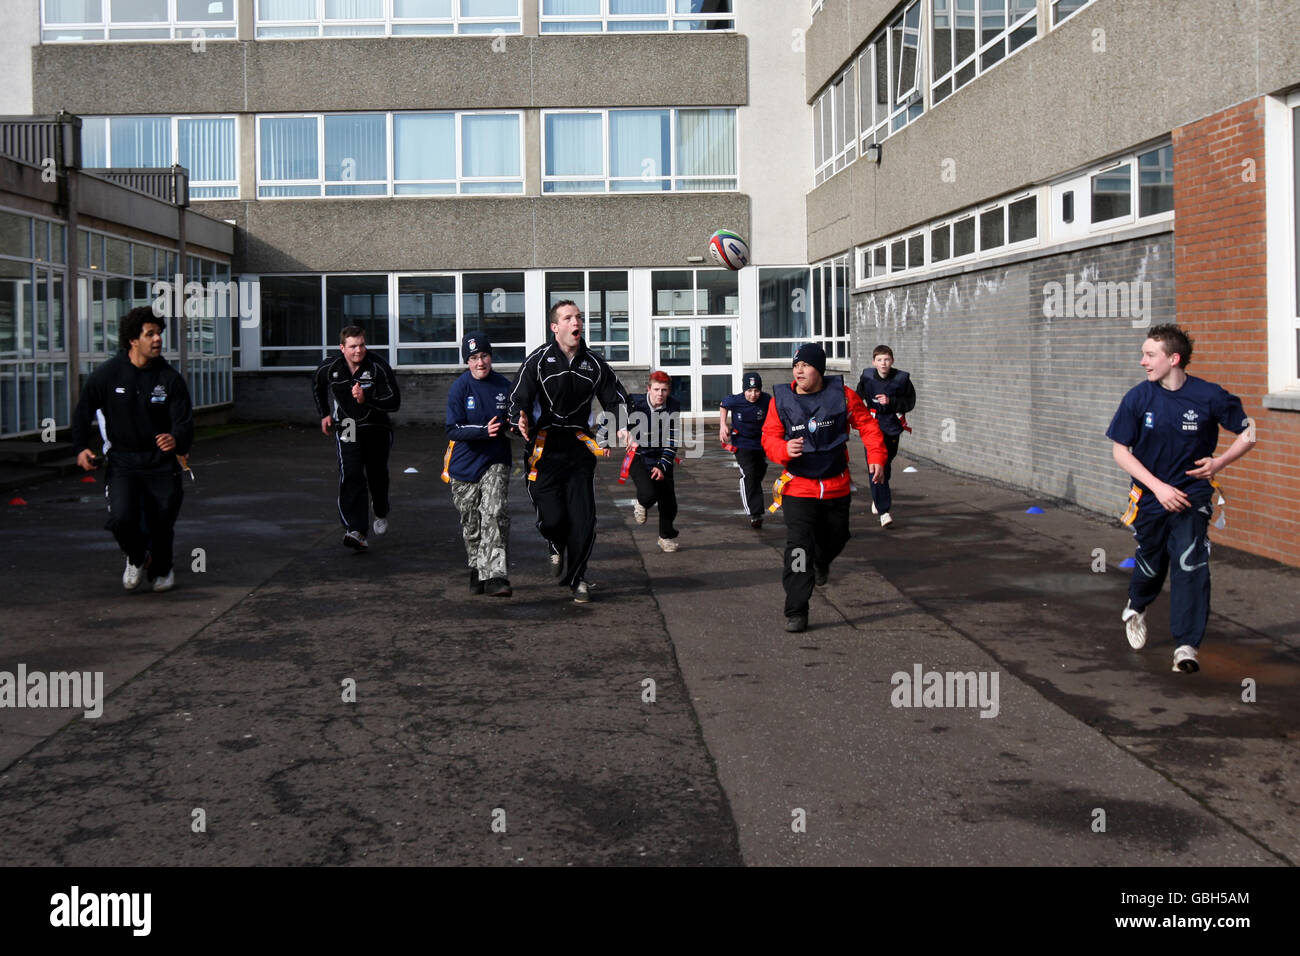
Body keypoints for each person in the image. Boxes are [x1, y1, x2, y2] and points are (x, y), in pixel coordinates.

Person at [1106, 324, 1256, 674]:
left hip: (1192, 497)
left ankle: (1186, 646)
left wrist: (1219, 462)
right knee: (1152, 561)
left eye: (1150, 354)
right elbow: (1120, 451)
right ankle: (1137, 605)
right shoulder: (1138, 398)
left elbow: (1249, 431)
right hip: (1150, 497)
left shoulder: (1209, 396)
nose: (1142, 361)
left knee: (1190, 563)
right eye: (1143, 354)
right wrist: (1158, 487)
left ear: (1173, 359)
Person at [509, 299, 631, 603]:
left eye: (578, 317)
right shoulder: (537, 361)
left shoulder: (594, 363)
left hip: (578, 449)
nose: (576, 321)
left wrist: (622, 424)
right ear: (556, 327)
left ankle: (578, 578)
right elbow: (517, 399)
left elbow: (616, 397)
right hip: (544, 450)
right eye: (568, 317)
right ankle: (555, 541)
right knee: (552, 520)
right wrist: (518, 420)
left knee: (584, 519)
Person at [763, 343, 887, 633]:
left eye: (805, 365)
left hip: (836, 485)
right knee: (798, 548)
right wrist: (783, 448)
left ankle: (822, 560)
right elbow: (769, 436)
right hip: (798, 489)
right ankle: (796, 610)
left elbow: (868, 427)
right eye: (796, 366)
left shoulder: (842, 395)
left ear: (819, 368)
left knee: (838, 537)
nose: (799, 370)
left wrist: (877, 457)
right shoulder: (780, 400)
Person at [71, 306, 194, 593]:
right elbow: (82, 412)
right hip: (123, 462)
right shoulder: (108, 375)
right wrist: (80, 448)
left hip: (161, 463)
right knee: (121, 519)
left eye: (159, 333)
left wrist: (176, 438)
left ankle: (162, 571)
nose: (157, 339)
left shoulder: (170, 379)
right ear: (132, 339)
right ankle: (138, 557)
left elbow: (184, 421)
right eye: (149, 334)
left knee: (161, 521)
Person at [312, 326, 401, 552]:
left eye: (362, 345)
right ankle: (356, 530)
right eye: (353, 346)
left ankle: (380, 510)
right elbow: (317, 384)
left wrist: (366, 398)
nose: (358, 350)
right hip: (348, 426)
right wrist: (324, 413)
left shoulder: (378, 366)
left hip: (376, 426)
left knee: (377, 475)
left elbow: (394, 402)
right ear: (342, 348)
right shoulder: (331, 367)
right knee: (351, 473)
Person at [445, 331, 514, 597]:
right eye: (473, 358)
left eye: (483, 355)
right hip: (464, 467)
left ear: (491, 356)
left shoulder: (504, 386)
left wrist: (518, 425)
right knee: (472, 523)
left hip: (495, 461)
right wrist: (483, 431)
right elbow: (453, 429)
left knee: (494, 513)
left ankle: (496, 575)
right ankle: (477, 567)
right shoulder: (459, 388)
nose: (480, 362)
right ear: (467, 361)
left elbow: (514, 420)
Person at [855, 344, 916, 527]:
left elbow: (910, 402)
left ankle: (878, 495)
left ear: (892, 361)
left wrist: (892, 402)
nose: (883, 363)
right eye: (880, 360)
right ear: (874, 362)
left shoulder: (902, 379)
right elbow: (858, 398)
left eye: (887, 359)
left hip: (891, 427)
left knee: (885, 465)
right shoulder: (867, 377)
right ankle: (884, 512)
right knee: (876, 466)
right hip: (872, 427)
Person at [624, 370, 682, 552]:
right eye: (656, 389)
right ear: (648, 388)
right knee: (648, 495)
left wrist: (662, 465)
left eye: (664, 390)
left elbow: (673, 440)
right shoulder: (634, 402)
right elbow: (614, 415)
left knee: (669, 504)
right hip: (638, 456)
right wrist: (621, 432)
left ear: (669, 391)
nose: (660, 394)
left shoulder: (673, 406)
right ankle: (641, 503)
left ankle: (665, 538)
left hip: (661, 458)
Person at [719, 371, 771, 528]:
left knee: (759, 472)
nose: (753, 395)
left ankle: (752, 493)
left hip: (760, 443)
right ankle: (755, 514)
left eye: (756, 391)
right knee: (749, 474)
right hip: (742, 443)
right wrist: (723, 425)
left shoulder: (767, 400)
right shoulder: (736, 400)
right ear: (744, 390)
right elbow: (723, 405)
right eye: (749, 391)